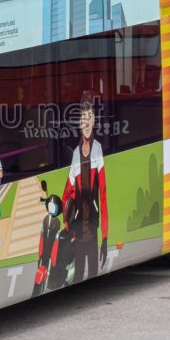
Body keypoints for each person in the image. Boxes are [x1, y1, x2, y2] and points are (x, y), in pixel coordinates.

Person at [62, 97, 109, 281]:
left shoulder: (98, 150)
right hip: (78, 232)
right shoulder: (75, 154)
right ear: (79, 123)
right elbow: (66, 194)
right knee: (78, 276)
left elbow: (103, 194)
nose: (87, 122)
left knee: (94, 274)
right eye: (83, 118)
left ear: (94, 120)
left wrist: (105, 237)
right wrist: (67, 223)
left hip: (93, 230)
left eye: (89, 117)